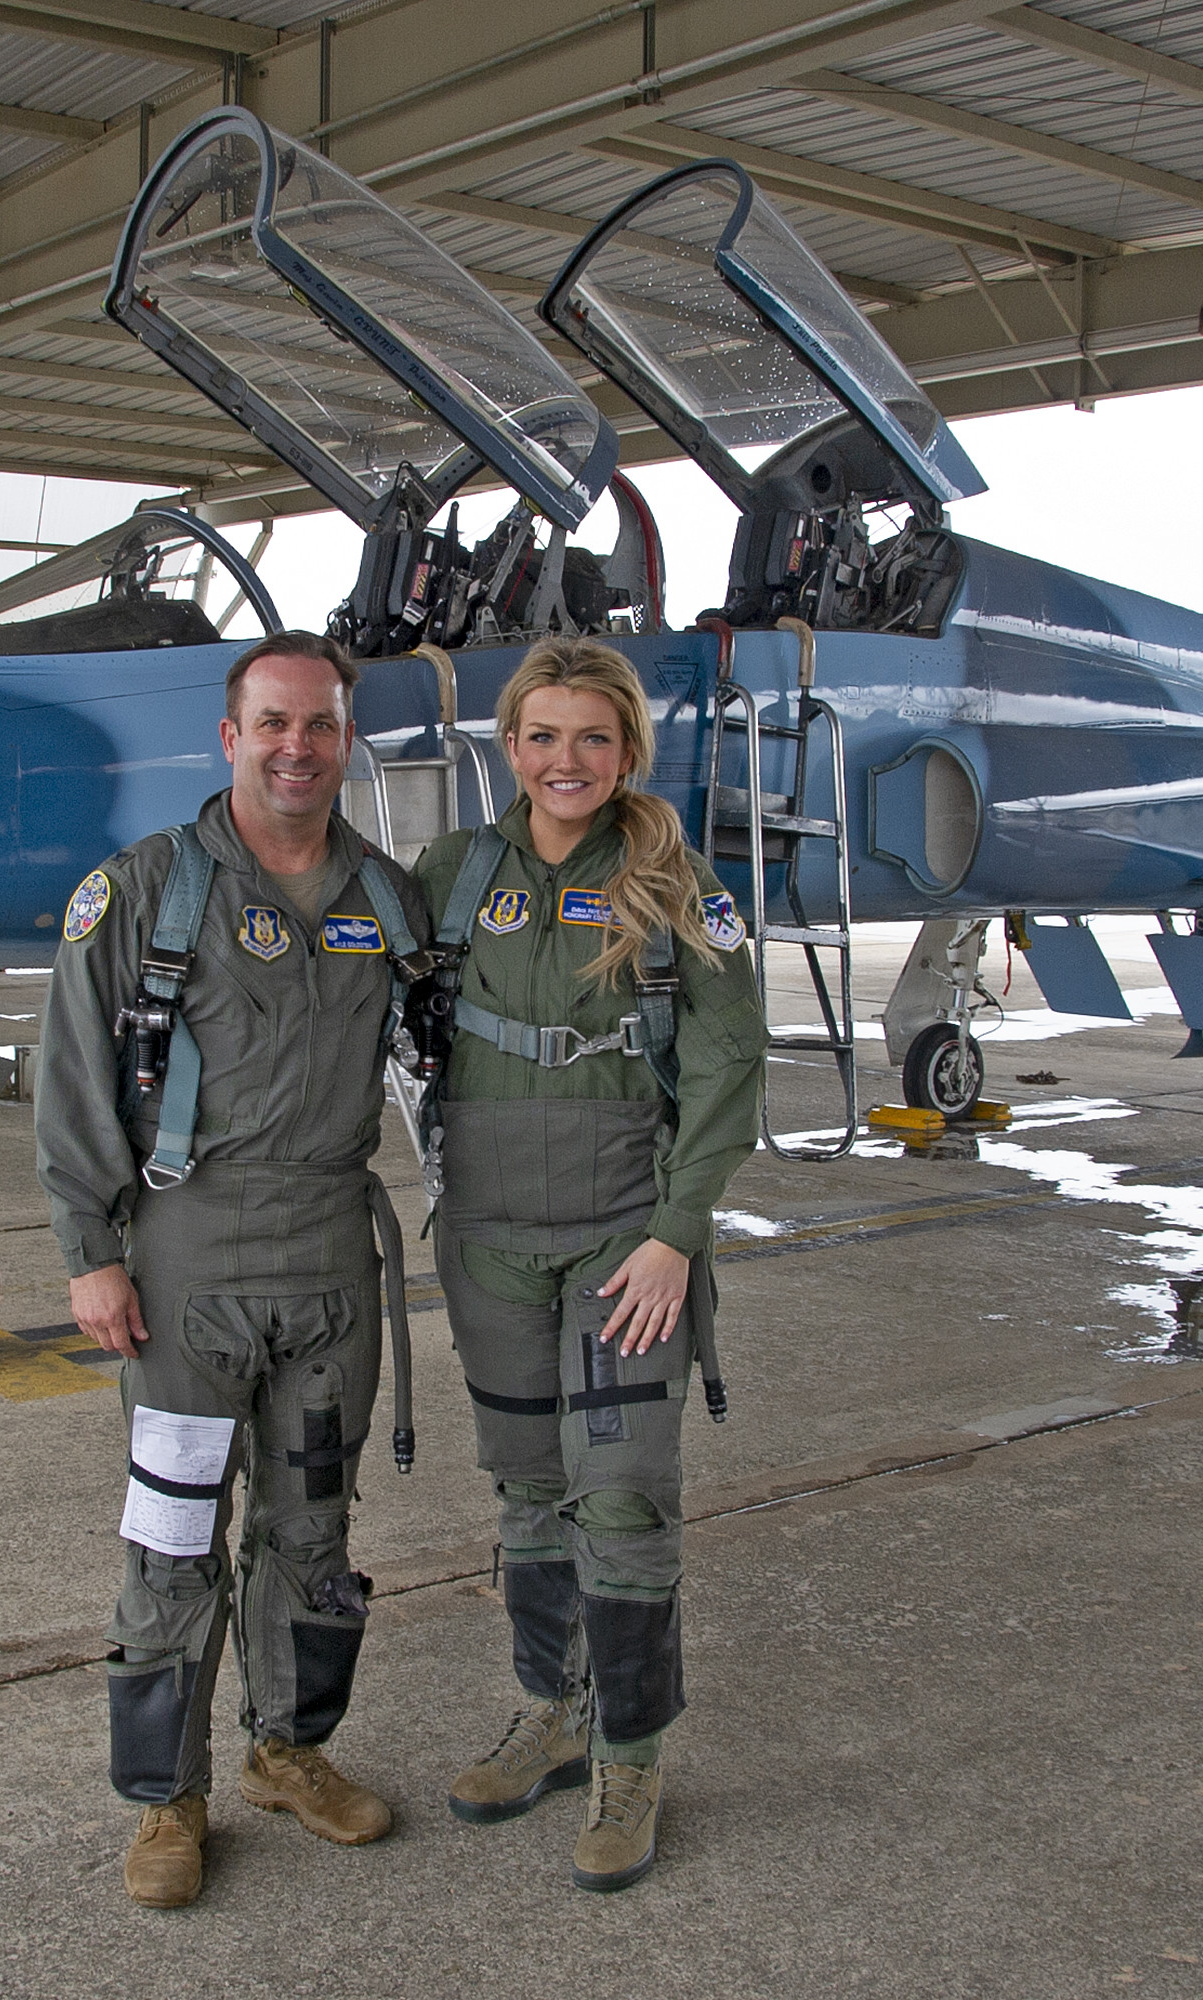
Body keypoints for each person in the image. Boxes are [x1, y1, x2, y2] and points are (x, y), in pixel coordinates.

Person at [36, 631, 435, 1911]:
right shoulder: (147, 889)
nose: (296, 747)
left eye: (319, 725)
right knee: (170, 1540)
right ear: (230, 736)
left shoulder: (388, 896)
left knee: (313, 1529)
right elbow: (73, 1078)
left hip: (329, 1257)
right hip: (186, 1257)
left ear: (344, 738)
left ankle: (289, 1750)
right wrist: (91, 1254)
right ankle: (167, 1800)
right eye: (272, 723)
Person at [414, 637, 765, 1892]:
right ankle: (547, 1712)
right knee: (524, 1492)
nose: (568, 762)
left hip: (628, 1238)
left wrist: (679, 1232)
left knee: (619, 1492)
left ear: (628, 754)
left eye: (594, 739)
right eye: (544, 737)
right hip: (492, 1239)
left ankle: (632, 1752)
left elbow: (729, 1068)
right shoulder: (452, 876)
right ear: (509, 747)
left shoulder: (681, 889)